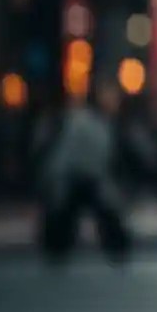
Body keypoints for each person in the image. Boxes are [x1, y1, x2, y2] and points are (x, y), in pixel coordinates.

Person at [36, 92, 131, 262]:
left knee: (63, 213)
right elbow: (107, 153)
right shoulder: (95, 123)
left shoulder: (71, 120)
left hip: (72, 175)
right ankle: (116, 246)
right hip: (84, 176)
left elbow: (48, 149)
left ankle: (57, 247)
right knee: (103, 212)